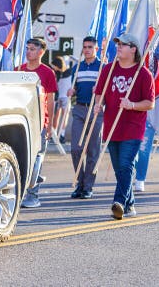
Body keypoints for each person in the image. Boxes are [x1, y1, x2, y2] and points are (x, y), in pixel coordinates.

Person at [93, 32, 155, 220]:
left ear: (133, 49)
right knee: (120, 168)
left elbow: (150, 103)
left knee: (126, 164)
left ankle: (118, 202)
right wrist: (98, 104)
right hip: (112, 125)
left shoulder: (143, 74)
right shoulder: (108, 69)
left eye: (123, 44)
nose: (118, 47)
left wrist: (132, 105)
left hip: (133, 127)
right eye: (118, 44)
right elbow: (100, 92)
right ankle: (130, 204)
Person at [19, 38, 57, 208]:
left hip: (40, 122)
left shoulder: (47, 73)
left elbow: (50, 100)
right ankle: (18, 192)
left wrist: (49, 125)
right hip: (22, 122)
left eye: (32, 49)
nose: (28, 52)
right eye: (27, 48)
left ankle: (33, 195)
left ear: (41, 51)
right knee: (21, 158)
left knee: (37, 159)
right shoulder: (18, 70)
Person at [67, 36, 102, 199]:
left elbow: (107, 89)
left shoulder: (102, 67)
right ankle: (79, 183)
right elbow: (74, 87)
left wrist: (100, 90)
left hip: (96, 110)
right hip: (80, 109)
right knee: (76, 148)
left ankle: (88, 187)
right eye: (85, 47)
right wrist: (71, 91)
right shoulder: (78, 67)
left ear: (96, 48)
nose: (86, 49)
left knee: (93, 150)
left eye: (90, 47)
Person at [52, 55, 72, 143]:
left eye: (54, 66)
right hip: (59, 97)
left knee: (63, 116)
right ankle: (55, 134)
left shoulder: (69, 71)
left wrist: (70, 57)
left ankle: (61, 135)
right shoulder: (56, 73)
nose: (53, 68)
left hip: (65, 97)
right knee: (57, 116)